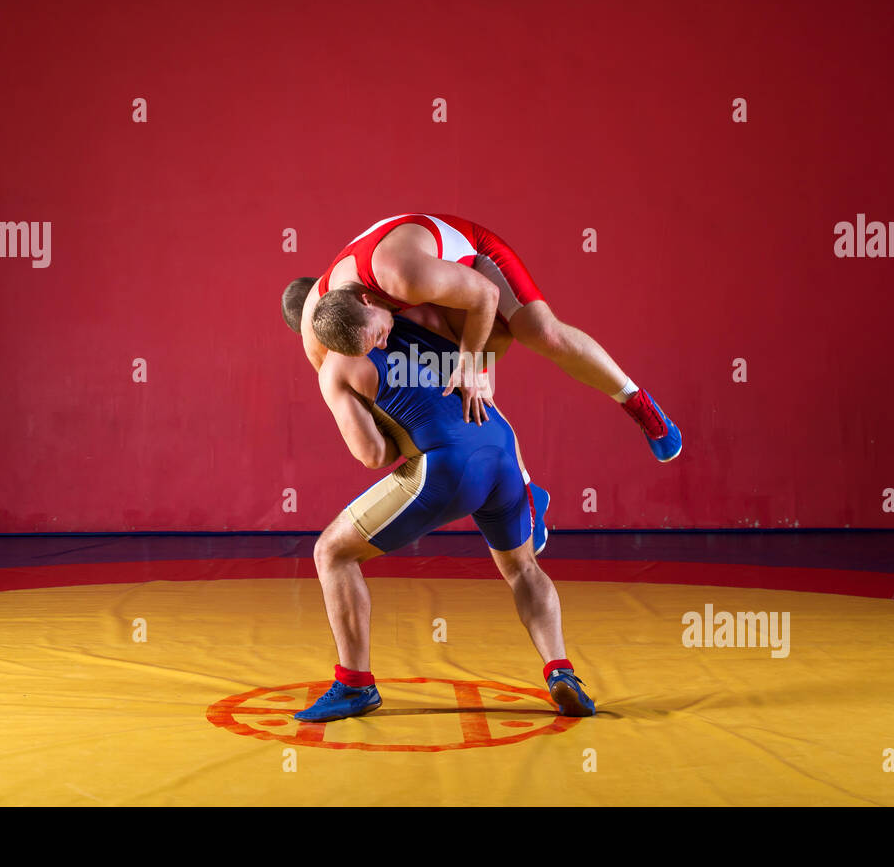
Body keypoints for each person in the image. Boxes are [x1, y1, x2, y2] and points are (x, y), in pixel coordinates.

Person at [292, 301, 594, 723]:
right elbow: (483, 312)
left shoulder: (336, 368)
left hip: (450, 466)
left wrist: (398, 421)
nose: (378, 341)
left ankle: (355, 685)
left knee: (332, 553)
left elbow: (373, 456)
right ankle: (561, 672)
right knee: (523, 568)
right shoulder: (422, 314)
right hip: (501, 445)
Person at [285, 213, 681, 460]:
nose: (382, 344)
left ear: (368, 300)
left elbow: (485, 294)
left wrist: (473, 365)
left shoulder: (403, 276)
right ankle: (522, 492)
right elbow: (345, 390)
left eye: (376, 335)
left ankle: (638, 403)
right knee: (440, 378)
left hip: (475, 260)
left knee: (539, 333)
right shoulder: (314, 330)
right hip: (430, 292)